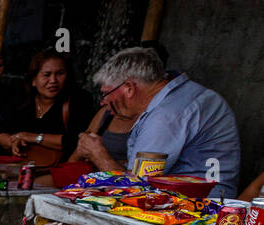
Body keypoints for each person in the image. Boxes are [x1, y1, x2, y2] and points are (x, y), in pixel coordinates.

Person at [88, 46, 240, 196]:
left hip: (200, 207)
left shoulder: (165, 116)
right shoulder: (185, 94)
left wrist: (97, 153)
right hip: (209, 196)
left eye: (106, 94)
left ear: (129, 88)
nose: (103, 102)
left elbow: (136, 188)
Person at [0, 51, 91, 175]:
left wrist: (32, 137)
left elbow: (76, 141)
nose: (53, 80)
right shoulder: (21, 99)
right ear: (34, 80)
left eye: (60, 74)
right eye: (46, 75)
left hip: (59, 173)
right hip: (20, 172)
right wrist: (13, 141)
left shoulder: (79, 100)